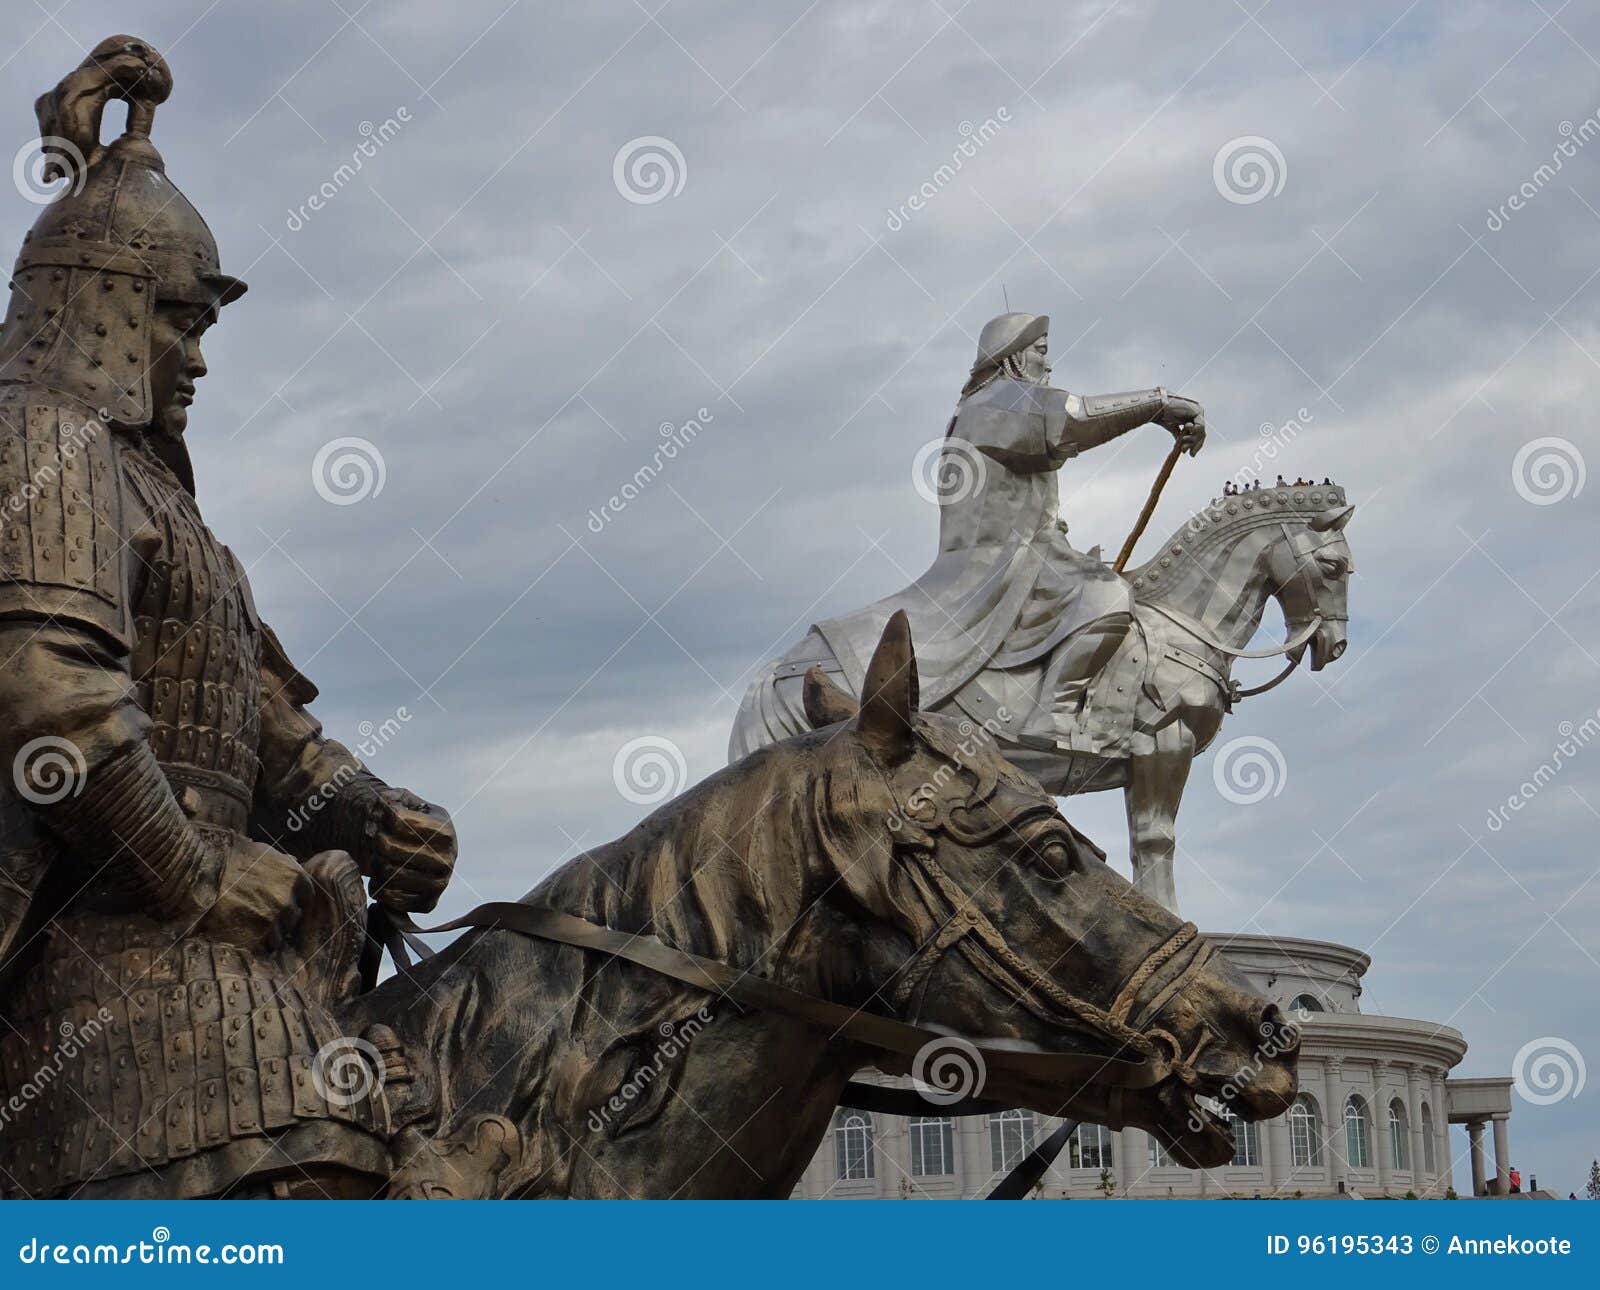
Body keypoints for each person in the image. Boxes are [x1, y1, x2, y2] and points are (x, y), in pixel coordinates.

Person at [0, 38, 457, 1199]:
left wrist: (371, 813)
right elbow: (49, 699)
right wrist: (198, 873)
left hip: (212, 937)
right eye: (178, 322)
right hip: (99, 939)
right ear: (102, 311)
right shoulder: (44, 446)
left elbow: (255, 720)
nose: (198, 359)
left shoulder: (159, 499)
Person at [808, 312, 1204, 744]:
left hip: (1023, 552)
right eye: (1040, 352)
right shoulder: (995, 403)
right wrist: (1160, 402)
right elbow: (1073, 418)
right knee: (1107, 596)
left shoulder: (987, 408)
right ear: (1012, 359)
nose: (1048, 365)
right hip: (1002, 562)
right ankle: (1053, 717)